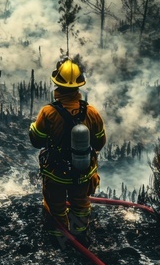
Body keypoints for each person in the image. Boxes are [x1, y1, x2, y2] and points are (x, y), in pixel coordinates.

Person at [29, 58, 106, 241]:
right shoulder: (92, 112)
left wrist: (34, 128)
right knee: (80, 205)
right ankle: (79, 237)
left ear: (57, 84)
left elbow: (37, 141)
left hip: (55, 173)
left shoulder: (48, 112)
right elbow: (99, 143)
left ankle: (58, 240)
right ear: (79, 87)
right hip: (82, 172)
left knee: (55, 206)